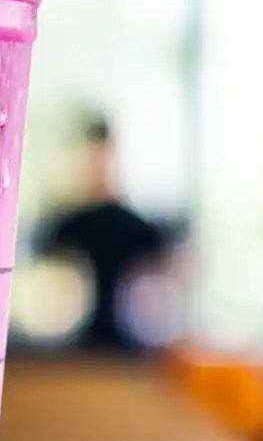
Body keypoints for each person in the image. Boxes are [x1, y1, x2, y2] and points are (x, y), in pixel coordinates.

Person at [37, 116, 166, 352]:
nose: (99, 166)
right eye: (93, 158)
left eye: (104, 157)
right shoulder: (66, 227)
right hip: (74, 351)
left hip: (129, 351)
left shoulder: (140, 230)